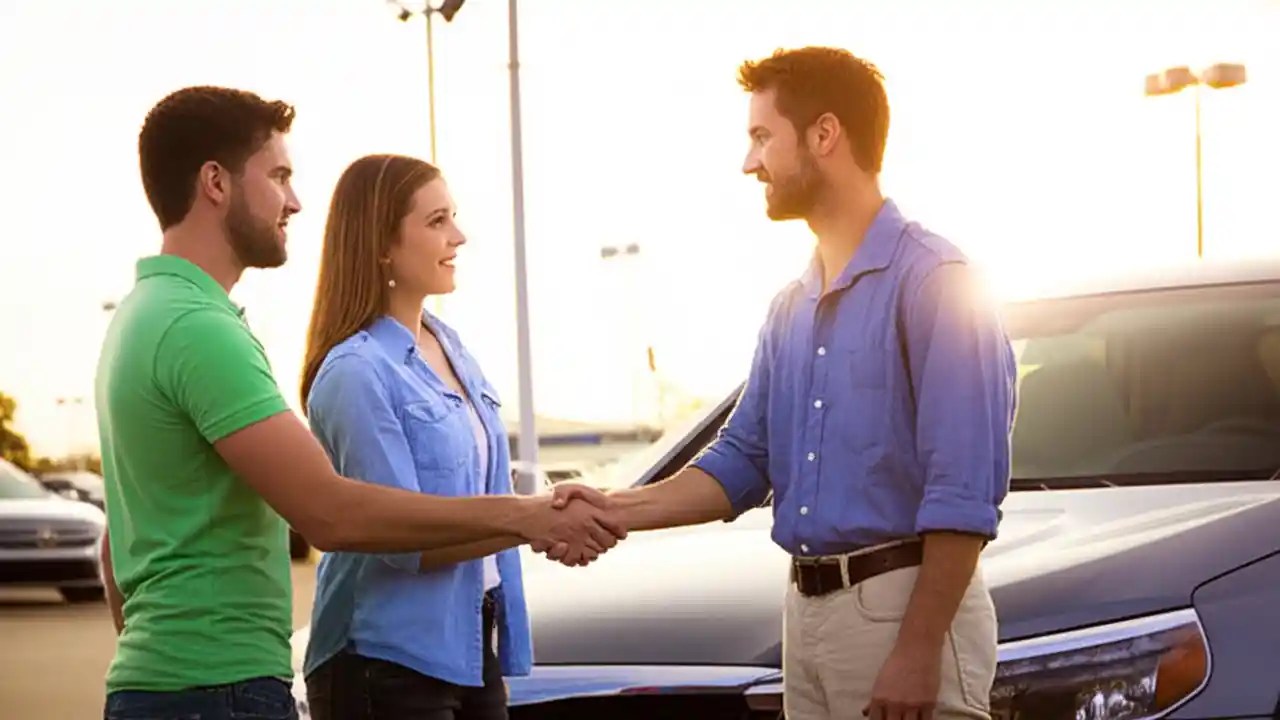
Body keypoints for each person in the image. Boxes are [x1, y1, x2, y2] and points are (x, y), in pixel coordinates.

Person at [94, 86, 622, 720]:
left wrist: (158, 662)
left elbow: (113, 543)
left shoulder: (145, 316)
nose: (294, 200)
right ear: (216, 182)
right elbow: (330, 513)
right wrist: (526, 516)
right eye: (279, 176)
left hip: (182, 682)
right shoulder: (198, 330)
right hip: (217, 689)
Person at [555, 47, 1017, 720]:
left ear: (825, 135)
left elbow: (963, 490)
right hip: (805, 619)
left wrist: (920, 648)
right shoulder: (788, 306)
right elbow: (742, 461)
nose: (750, 163)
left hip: (904, 614)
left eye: (762, 137)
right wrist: (610, 507)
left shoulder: (939, 283)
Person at [297, 154, 535, 720]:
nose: (459, 236)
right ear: (382, 244)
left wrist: (533, 516)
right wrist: (530, 519)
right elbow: (402, 538)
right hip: (382, 659)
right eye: (436, 222)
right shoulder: (354, 372)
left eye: (452, 217)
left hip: (469, 642)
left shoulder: (450, 345)